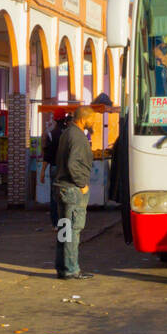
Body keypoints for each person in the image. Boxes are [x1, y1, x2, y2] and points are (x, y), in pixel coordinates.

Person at [53, 106, 97, 280]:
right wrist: (82, 184)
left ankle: (63, 268)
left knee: (64, 230)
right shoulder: (78, 136)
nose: (94, 122)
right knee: (72, 230)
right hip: (72, 189)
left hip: (63, 187)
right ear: (84, 118)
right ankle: (71, 269)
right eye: (92, 118)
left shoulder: (67, 133)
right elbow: (73, 164)